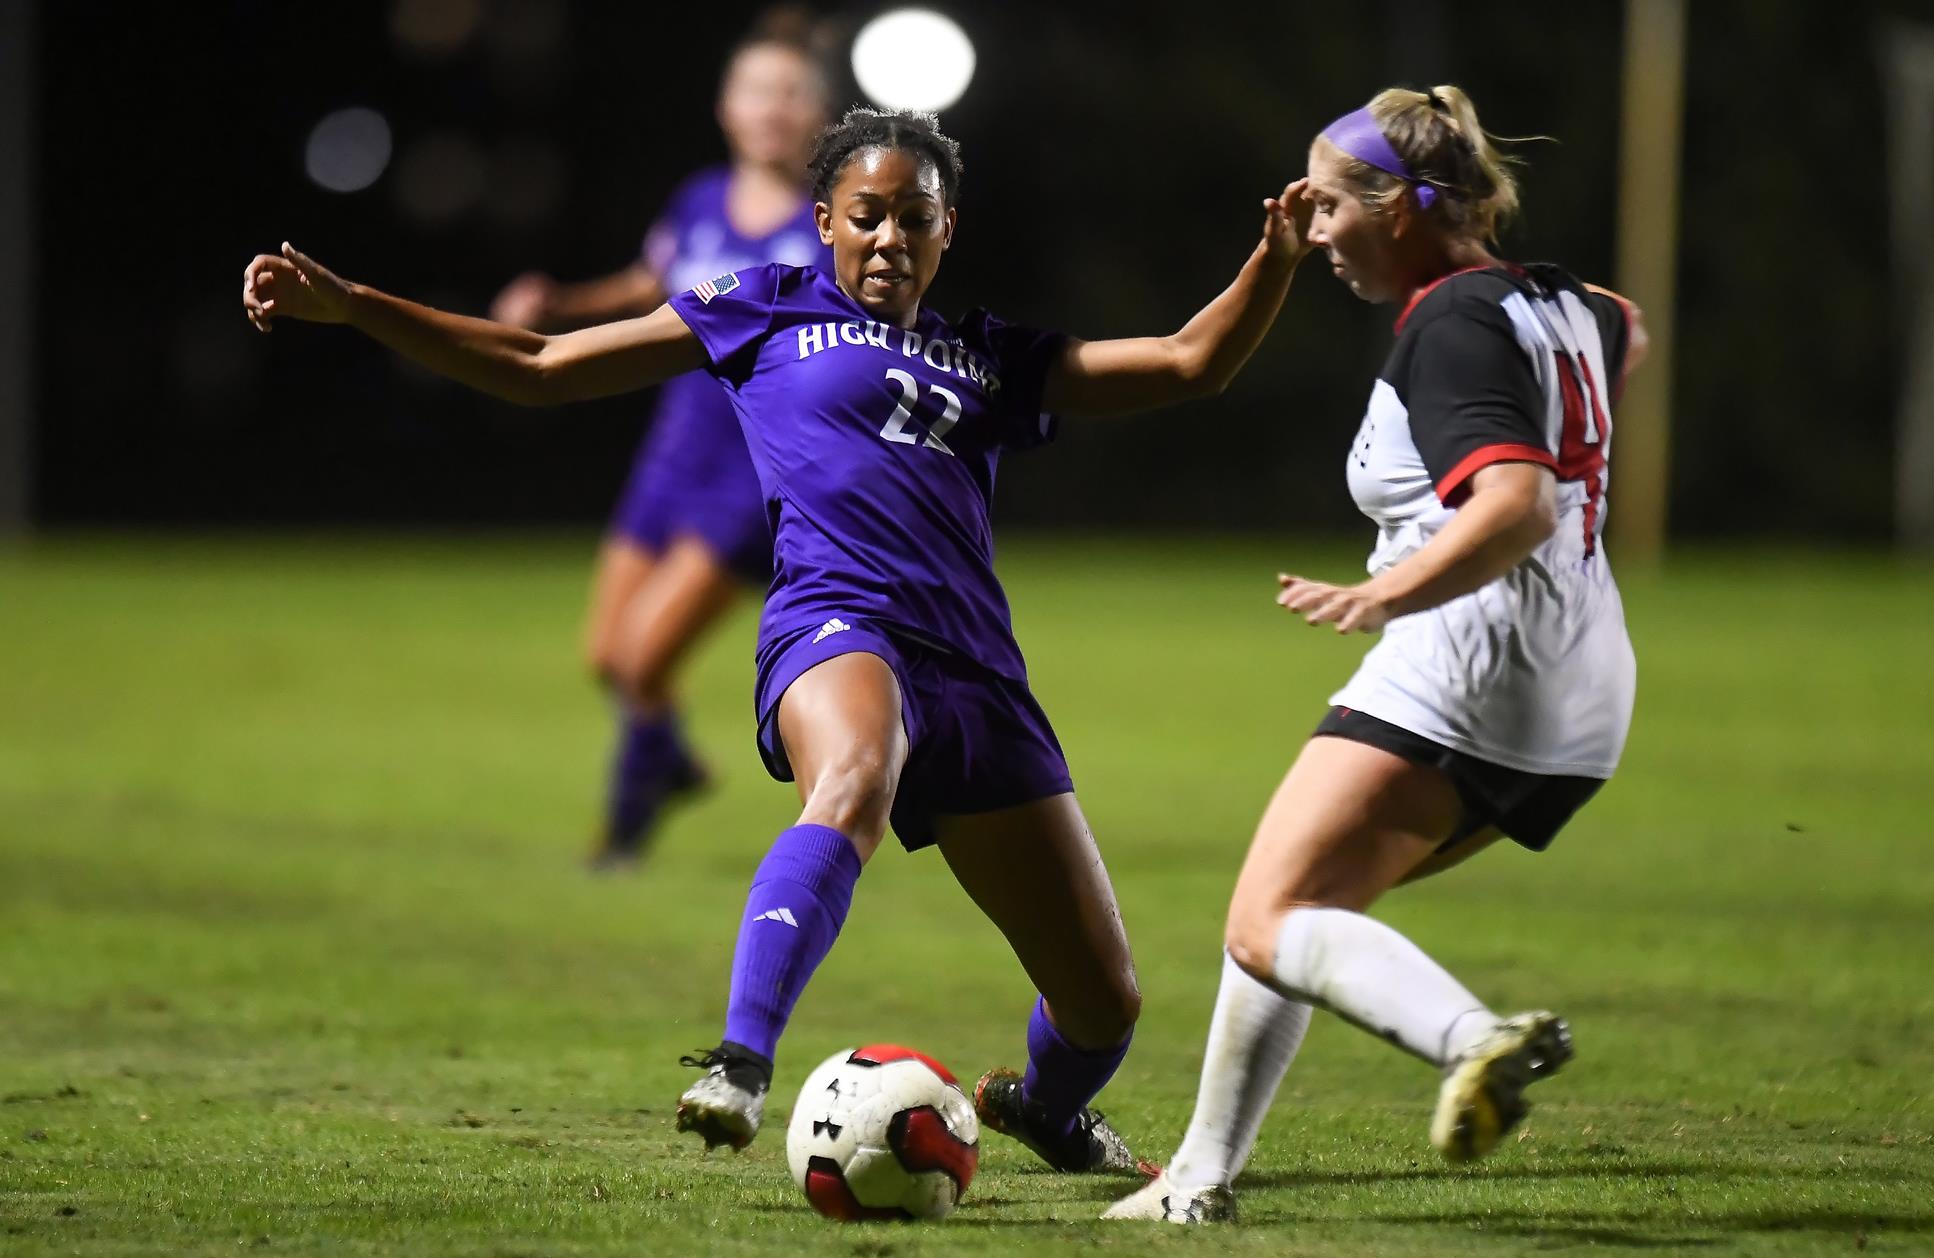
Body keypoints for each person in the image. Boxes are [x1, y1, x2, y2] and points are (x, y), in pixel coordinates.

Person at [242, 107, 1317, 1173]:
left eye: (914, 218)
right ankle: (740, 1064)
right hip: (835, 622)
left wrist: (1271, 258)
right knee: (850, 779)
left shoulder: (993, 356)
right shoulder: (762, 309)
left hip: (976, 669)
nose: (889, 237)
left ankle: (1040, 1105)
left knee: (1102, 1003)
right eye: (866, 216)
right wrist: (356, 308)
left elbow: (1188, 362)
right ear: (823, 223)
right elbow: (537, 359)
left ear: (949, 232)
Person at [1105, 85, 1647, 1224]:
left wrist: (1382, 590)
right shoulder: (1552, 300)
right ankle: (1195, 1181)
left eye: (1327, 210)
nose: (1313, 233)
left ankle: (1472, 1040)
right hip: (1584, 694)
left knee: (1268, 918)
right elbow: (1624, 322)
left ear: (1400, 206)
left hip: (1469, 667)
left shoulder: (1447, 326)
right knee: (1300, 912)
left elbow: (1515, 506)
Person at [490, 16, 831, 869]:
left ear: (821, 114)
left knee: (645, 657)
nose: (773, 109)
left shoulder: (833, 227)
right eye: (757, 90)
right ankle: (671, 761)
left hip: (754, 476)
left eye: (792, 93)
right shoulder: (697, 202)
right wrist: (562, 303)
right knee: (606, 654)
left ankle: (624, 834)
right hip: (674, 452)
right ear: (726, 107)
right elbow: (652, 288)